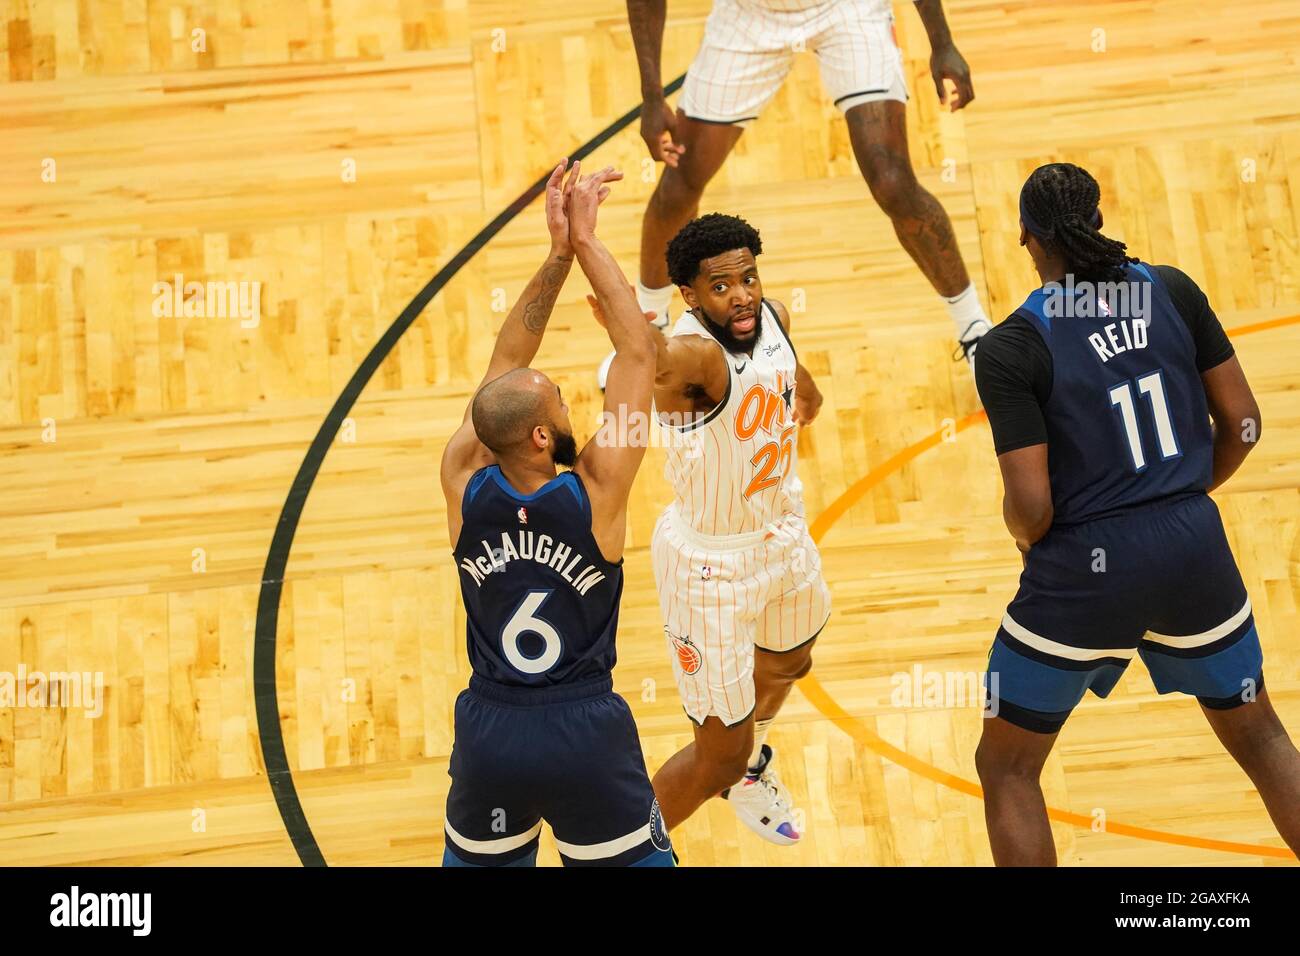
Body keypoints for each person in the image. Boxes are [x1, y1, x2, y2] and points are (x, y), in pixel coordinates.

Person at [972, 161, 1300, 865]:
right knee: (1262, 736)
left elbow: (1031, 503)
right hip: (1194, 548)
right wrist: (1182, 498)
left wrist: (1026, 539)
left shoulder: (1011, 347)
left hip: (1087, 567)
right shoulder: (1171, 290)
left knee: (1008, 767)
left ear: (1026, 236)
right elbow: (1243, 422)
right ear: (1097, 222)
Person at [439, 159, 672, 866]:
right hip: (585, 737)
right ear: (544, 436)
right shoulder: (598, 490)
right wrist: (587, 241)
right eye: (563, 404)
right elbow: (637, 352)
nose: (574, 408)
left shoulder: (461, 478)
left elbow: (507, 363)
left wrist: (554, 255)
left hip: (491, 735)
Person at [596, 0, 990, 389]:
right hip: (750, 17)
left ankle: (975, 330)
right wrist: (651, 95)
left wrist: (942, 41)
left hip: (847, 11)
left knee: (893, 181)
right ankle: (645, 334)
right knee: (679, 184)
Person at [594, 211, 831, 845]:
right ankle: (614, 854)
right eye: (721, 287)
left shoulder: (773, 315)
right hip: (712, 567)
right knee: (713, 758)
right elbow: (653, 358)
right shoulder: (696, 356)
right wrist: (587, 248)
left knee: (790, 658)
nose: (742, 295)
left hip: (783, 533)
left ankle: (749, 770)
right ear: (691, 297)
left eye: (748, 278)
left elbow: (793, 381)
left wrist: (802, 394)